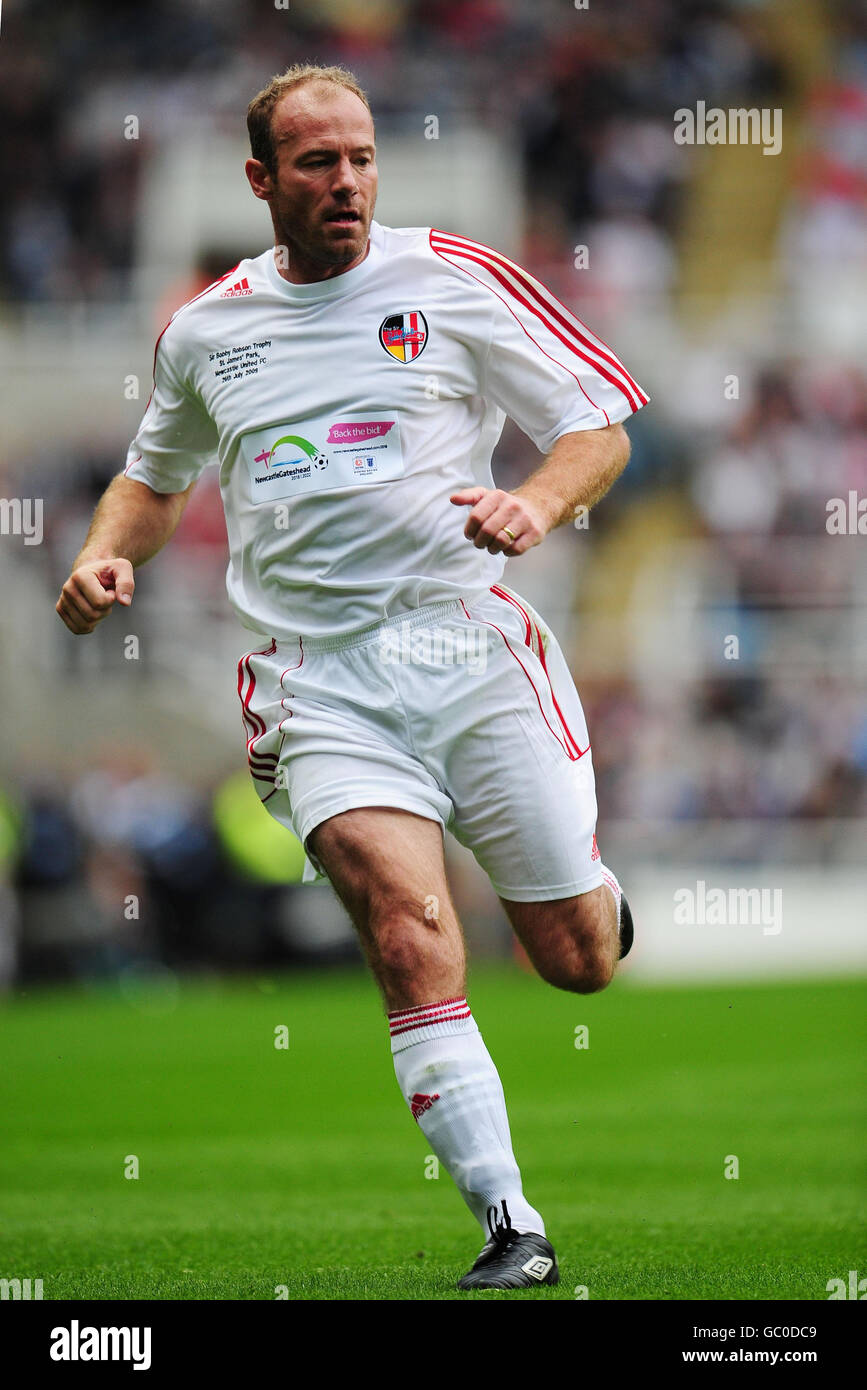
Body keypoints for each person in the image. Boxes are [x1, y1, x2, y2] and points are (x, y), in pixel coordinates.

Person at [56, 63, 648, 1291]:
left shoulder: (453, 278)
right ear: (262, 179)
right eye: (319, 163)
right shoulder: (206, 330)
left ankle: (594, 898)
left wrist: (536, 505)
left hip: (470, 649)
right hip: (318, 682)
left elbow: (599, 424)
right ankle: (510, 1226)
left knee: (575, 957)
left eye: (363, 158)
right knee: (409, 927)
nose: (348, 183)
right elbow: (154, 480)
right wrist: (107, 554)